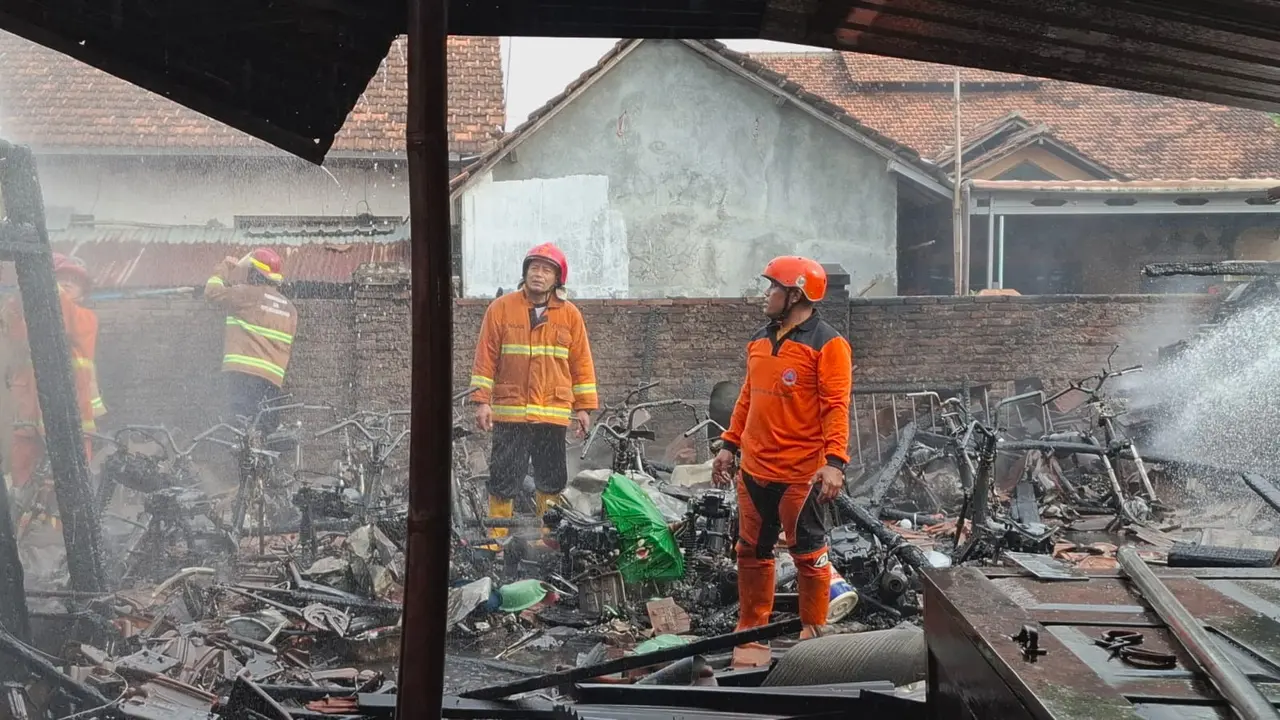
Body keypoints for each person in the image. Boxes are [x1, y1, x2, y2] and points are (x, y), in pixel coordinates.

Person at [712, 256, 853, 642]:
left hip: (801, 474)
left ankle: (812, 632)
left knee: (808, 554)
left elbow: (836, 406)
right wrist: (729, 444)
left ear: (796, 295)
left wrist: (835, 462)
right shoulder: (760, 340)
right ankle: (751, 630)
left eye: (773, 287)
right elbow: (747, 397)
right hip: (754, 468)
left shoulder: (829, 345)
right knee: (750, 552)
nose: (766, 294)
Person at [470, 243, 598, 538]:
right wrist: (481, 401)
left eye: (546, 270)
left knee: (550, 480)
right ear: (525, 271)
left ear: (557, 279)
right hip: (510, 413)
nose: (538, 275)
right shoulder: (501, 309)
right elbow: (485, 358)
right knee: (503, 479)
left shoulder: (570, 315)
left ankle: (547, 540)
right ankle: (497, 541)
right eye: (534, 268)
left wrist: (583, 408)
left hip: (552, 415)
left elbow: (581, 364)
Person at [5, 254, 103, 495]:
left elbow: (64, 315)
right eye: (62, 278)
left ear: (83, 292)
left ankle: (59, 533)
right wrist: (19, 299)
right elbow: (11, 332)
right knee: (24, 490)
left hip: (71, 425)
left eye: (74, 280)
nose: (67, 283)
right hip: (26, 424)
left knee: (66, 493)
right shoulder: (31, 321)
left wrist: (45, 283)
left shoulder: (86, 319)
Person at [204, 248, 297, 435]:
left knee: (240, 431)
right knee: (266, 433)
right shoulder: (290, 309)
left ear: (254, 272)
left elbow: (212, 292)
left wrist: (224, 269)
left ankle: (241, 464)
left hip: (243, 376)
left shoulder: (245, 294)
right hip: (272, 382)